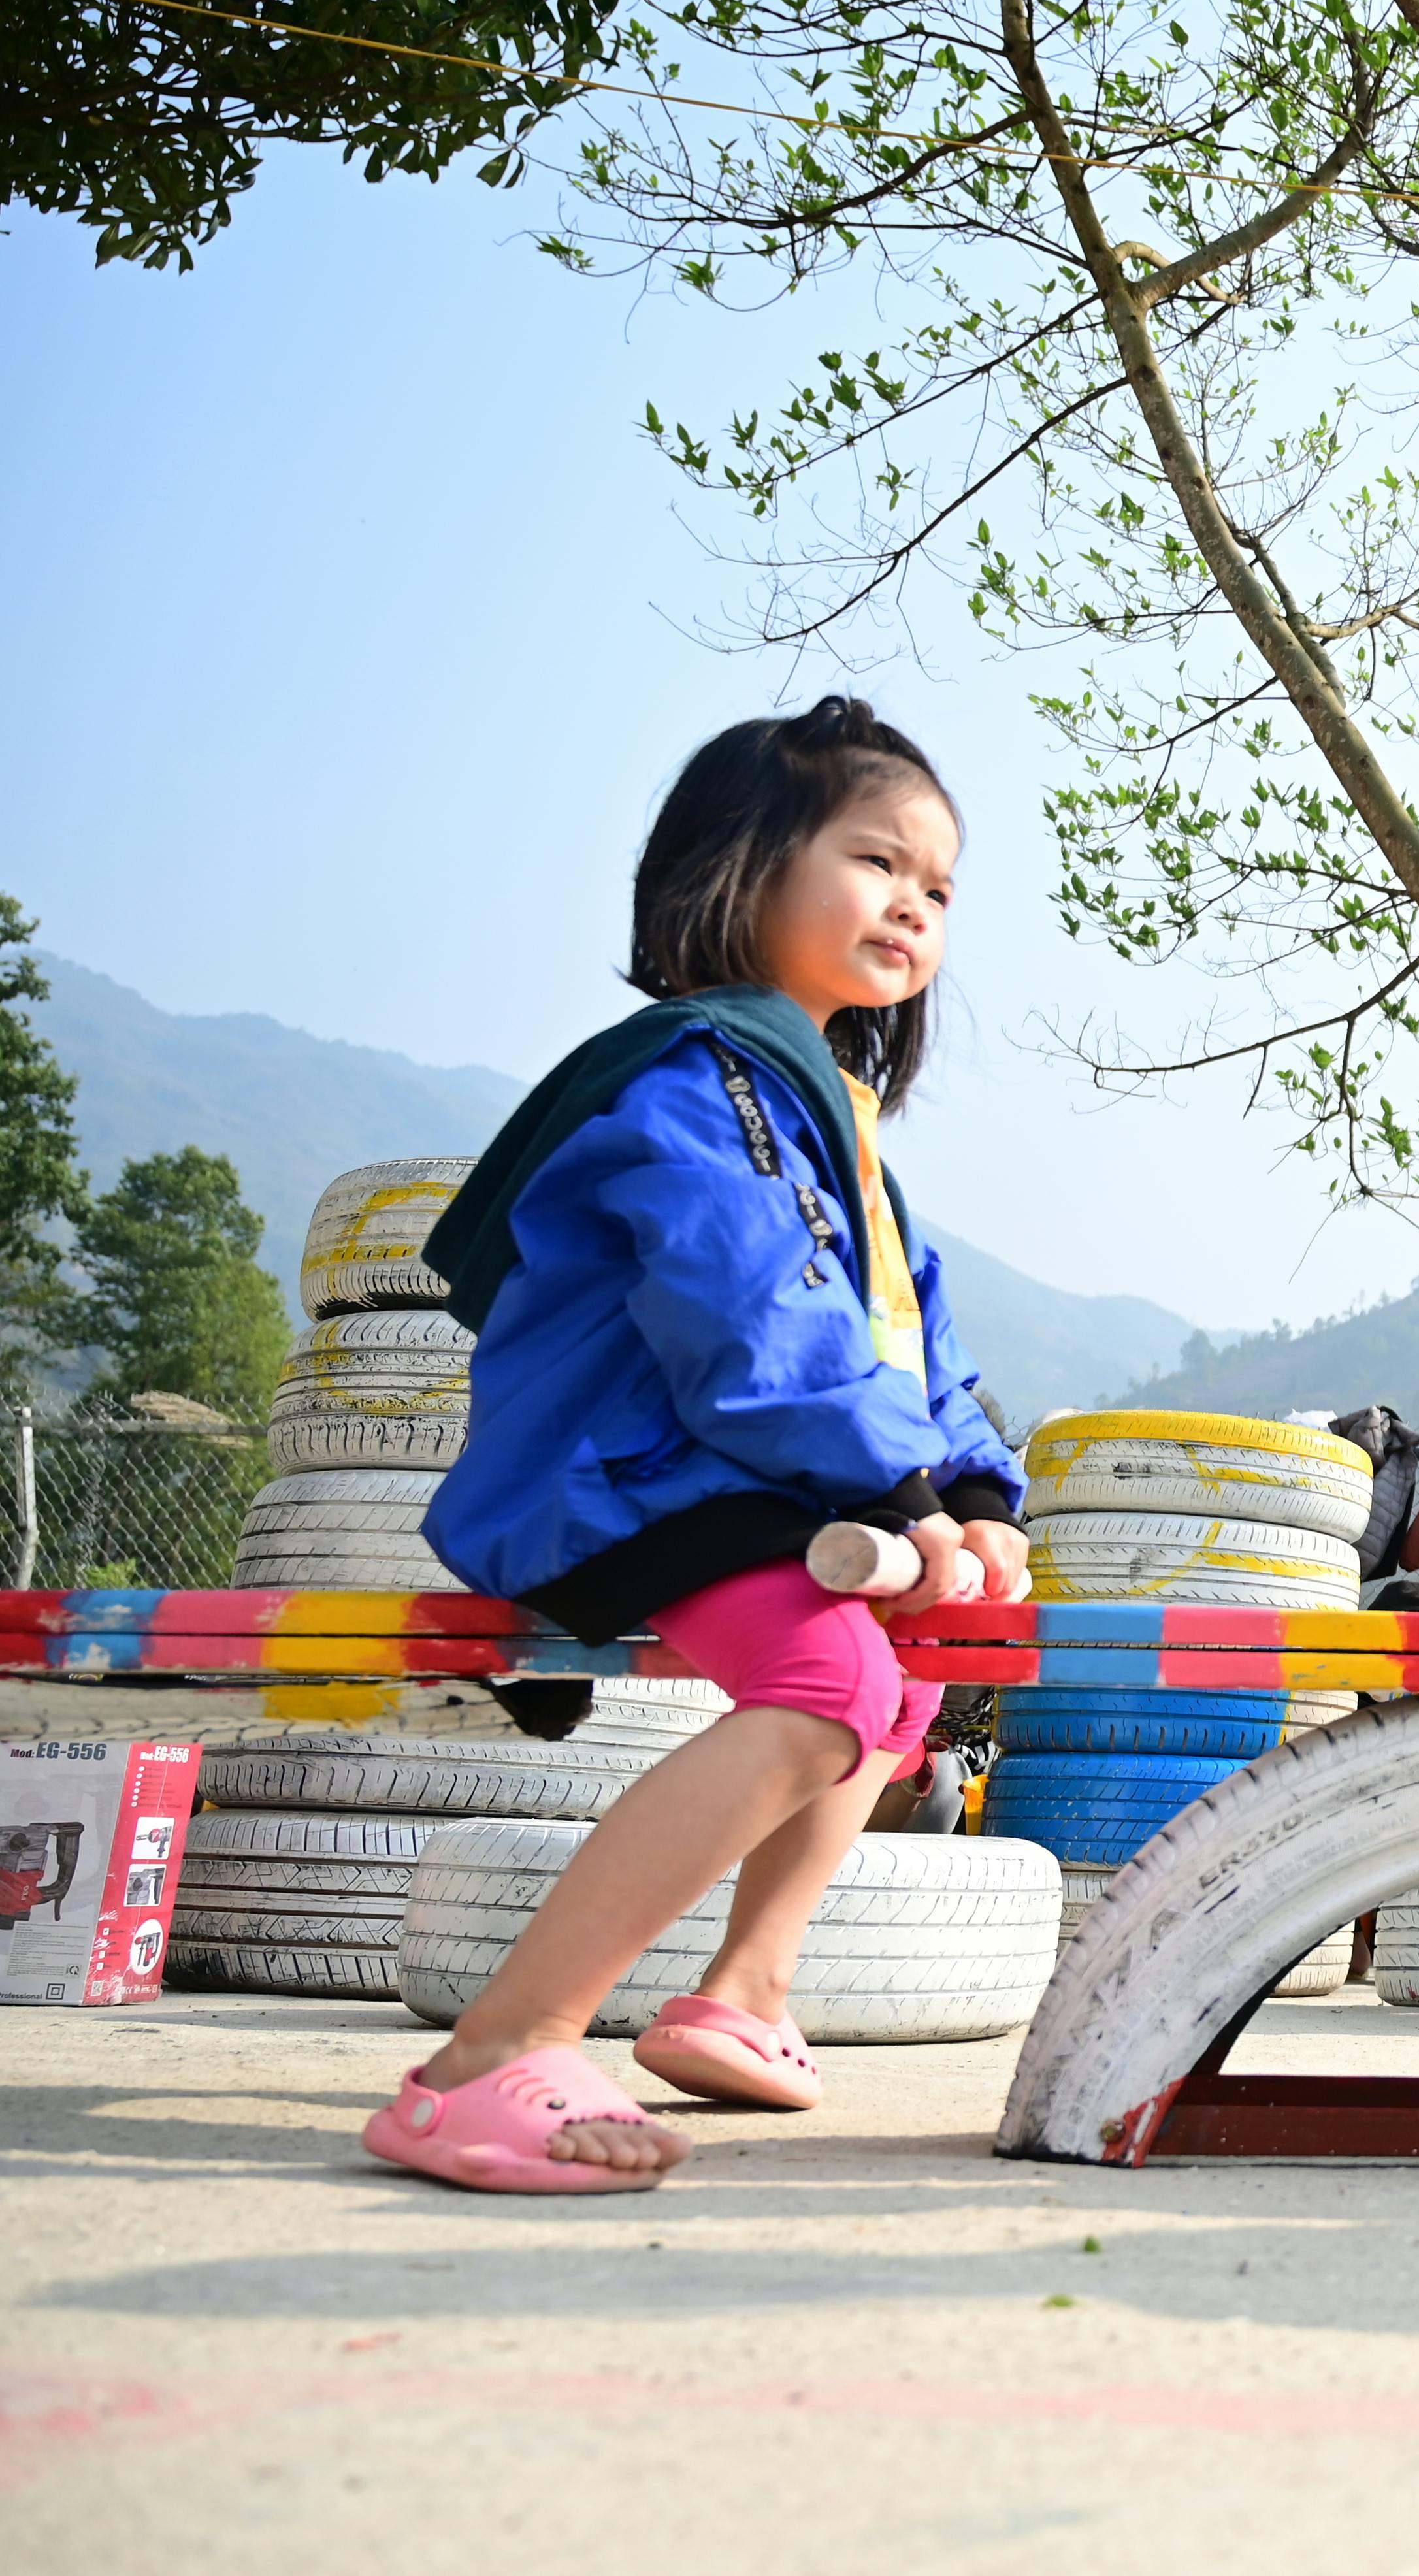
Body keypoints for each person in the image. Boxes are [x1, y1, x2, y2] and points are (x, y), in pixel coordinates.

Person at [374, 698, 1031, 2194]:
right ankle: (493, 2049)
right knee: (832, 1676)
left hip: (746, 1471)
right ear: (743, 866)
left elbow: (911, 1337)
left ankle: (747, 1983)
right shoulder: (700, 1079)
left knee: (921, 1646)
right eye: (877, 858)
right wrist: (898, 1490)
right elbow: (753, 1323)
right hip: (633, 1471)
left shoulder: (828, 1114)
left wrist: (975, 1492)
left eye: (940, 887)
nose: (915, 904)